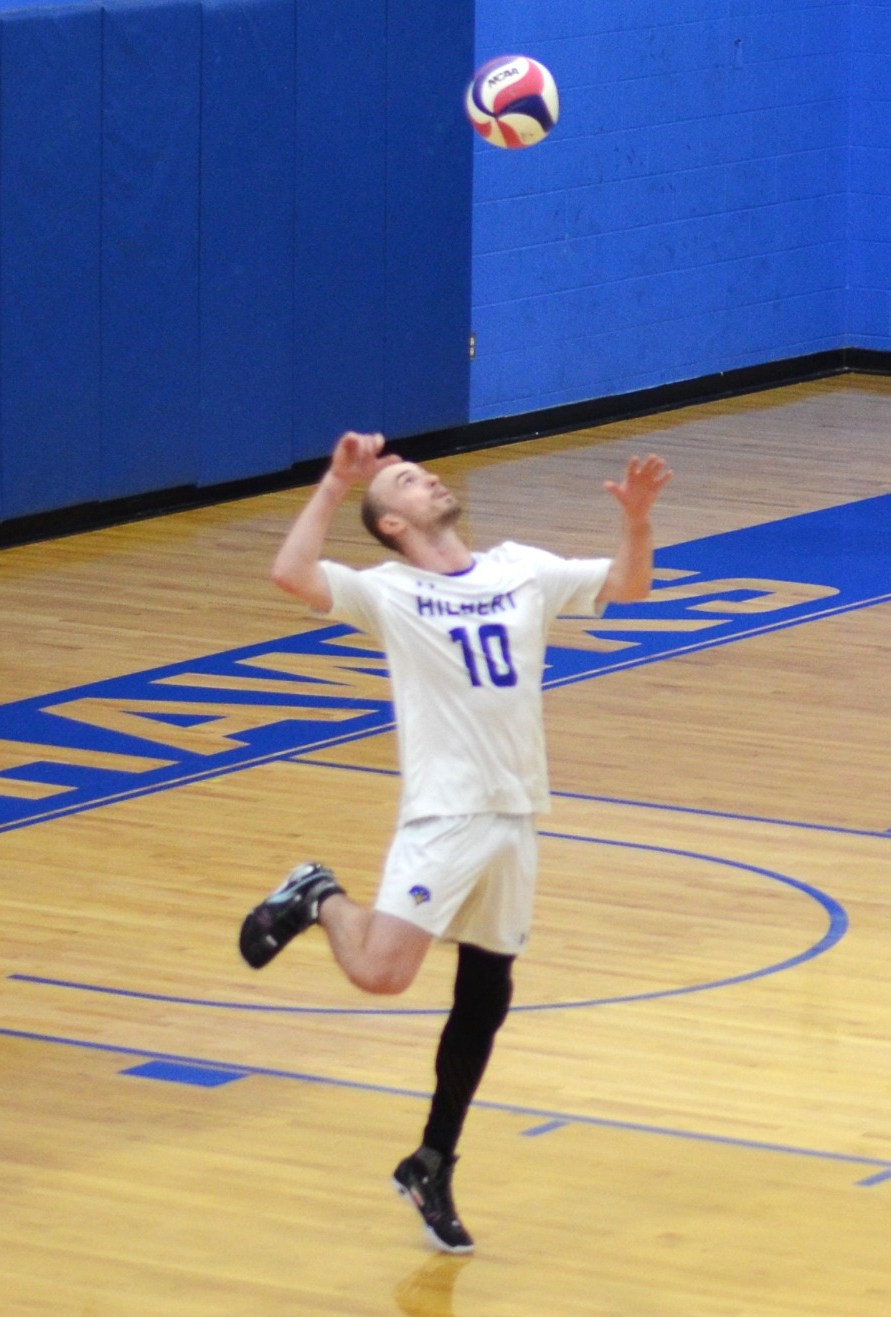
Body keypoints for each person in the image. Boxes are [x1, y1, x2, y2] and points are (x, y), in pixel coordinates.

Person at [237, 431, 670, 1253]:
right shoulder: (390, 590)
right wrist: (335, 483)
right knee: (380, 971)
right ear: (390, 523)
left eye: (422, 470)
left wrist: (638, 520)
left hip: (516, 810)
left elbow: (630, 584)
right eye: (406, 479)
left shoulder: (518, 568)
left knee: (487, 991)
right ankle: (317, 894)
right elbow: (291, 573)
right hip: (446, 811)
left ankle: (432, 1158)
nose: (427, 478)